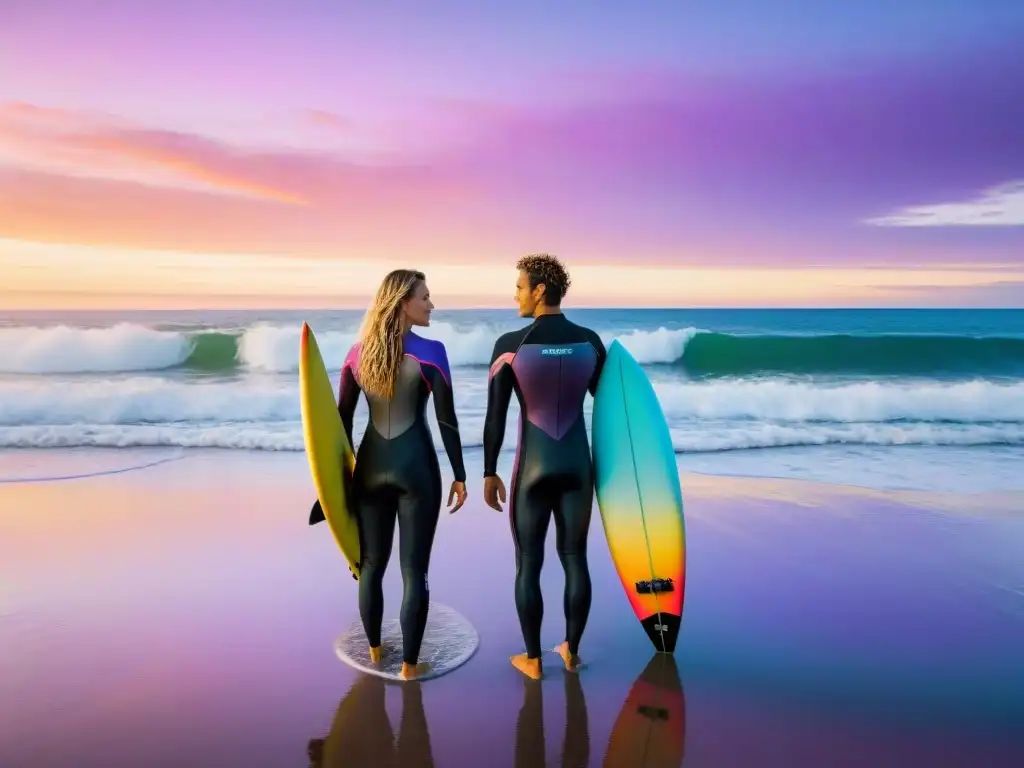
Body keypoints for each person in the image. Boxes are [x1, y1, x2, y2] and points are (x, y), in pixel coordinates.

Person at [335, 269, 468, 681]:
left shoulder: (356, 355)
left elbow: (340, 425)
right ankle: (410, 666)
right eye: (425, 297)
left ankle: (375, 653)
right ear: (403, 303)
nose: (432, 304)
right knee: (415, 571)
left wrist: (338, 483)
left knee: (372, 565)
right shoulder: (432, 353)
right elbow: (447, 422)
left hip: (369, 472)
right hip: (417, 470)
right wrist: (460, 475)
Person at [482, 253, 607, 680]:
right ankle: (571, 652)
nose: (514, 294)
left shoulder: (509, 346)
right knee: (576, 558)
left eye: (519, 287)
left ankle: (533, 661)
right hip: (578, 466)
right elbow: (609, 408)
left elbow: (495, 416)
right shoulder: (591, 342)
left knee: (528, 562)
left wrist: (488, 471)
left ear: (538, 291)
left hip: (532, 470)